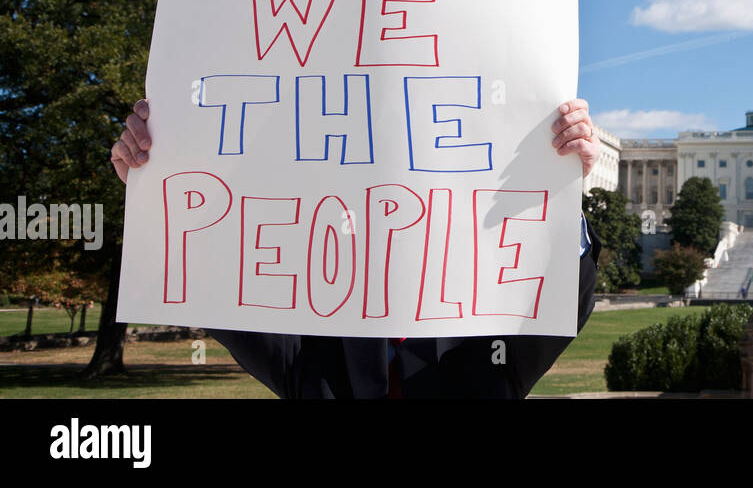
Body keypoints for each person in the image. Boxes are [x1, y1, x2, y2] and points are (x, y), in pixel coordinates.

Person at [110, 97, 602, 399]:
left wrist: (559, 189)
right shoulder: (314, 349)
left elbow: (561, 302)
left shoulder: (490, 346)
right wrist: (154, 185)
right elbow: (216, 291)